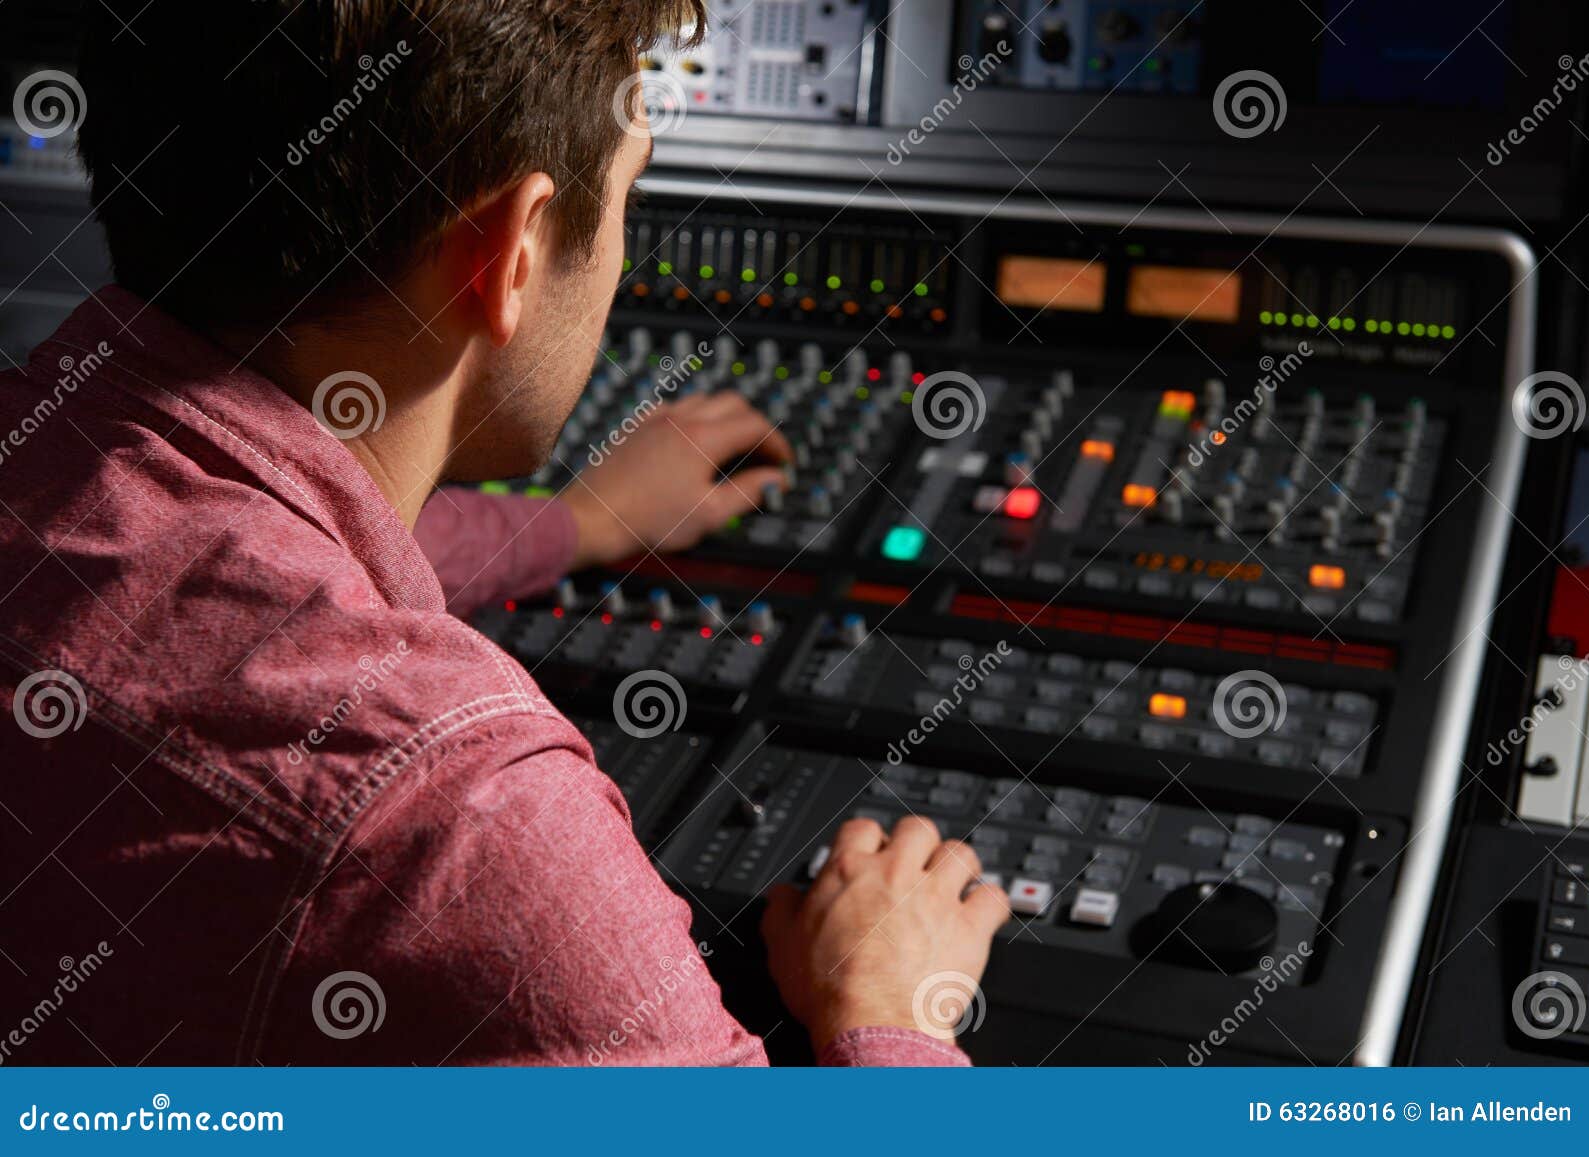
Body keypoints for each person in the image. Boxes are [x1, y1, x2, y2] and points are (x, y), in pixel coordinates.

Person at [0, 0, 1009, 1065]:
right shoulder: (463, 821)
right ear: (514, 251)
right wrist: (891, 1002)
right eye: (629, 194)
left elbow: (204, 557)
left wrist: (577, 524)